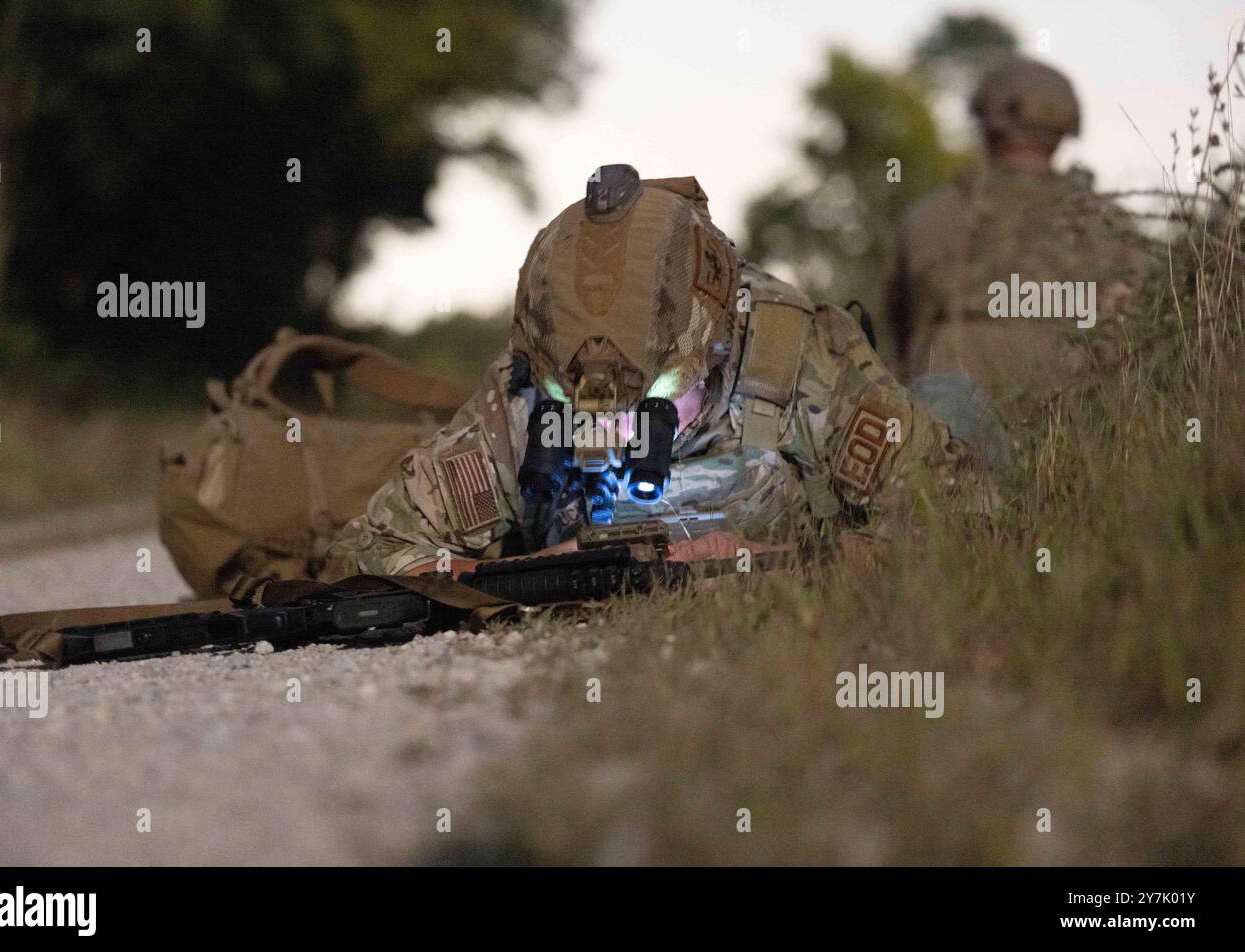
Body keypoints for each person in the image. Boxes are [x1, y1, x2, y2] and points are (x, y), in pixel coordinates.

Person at [328, 165, 998, 578]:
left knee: (952, 402)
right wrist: (534, 575)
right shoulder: (529, 388)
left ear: (718, 348)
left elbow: (962, 516)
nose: (614, 426)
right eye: (579, 403)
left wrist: (761, 564)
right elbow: (371, 551)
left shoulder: (792, 355)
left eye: (651, 400)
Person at [885, 56, 1154, 406]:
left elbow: (897, 341)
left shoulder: (926, 219)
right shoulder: (1111, 227)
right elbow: (1141, 348)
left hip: (941, 443)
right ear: (1064, 128)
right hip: (1080, 439)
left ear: (986, 123)